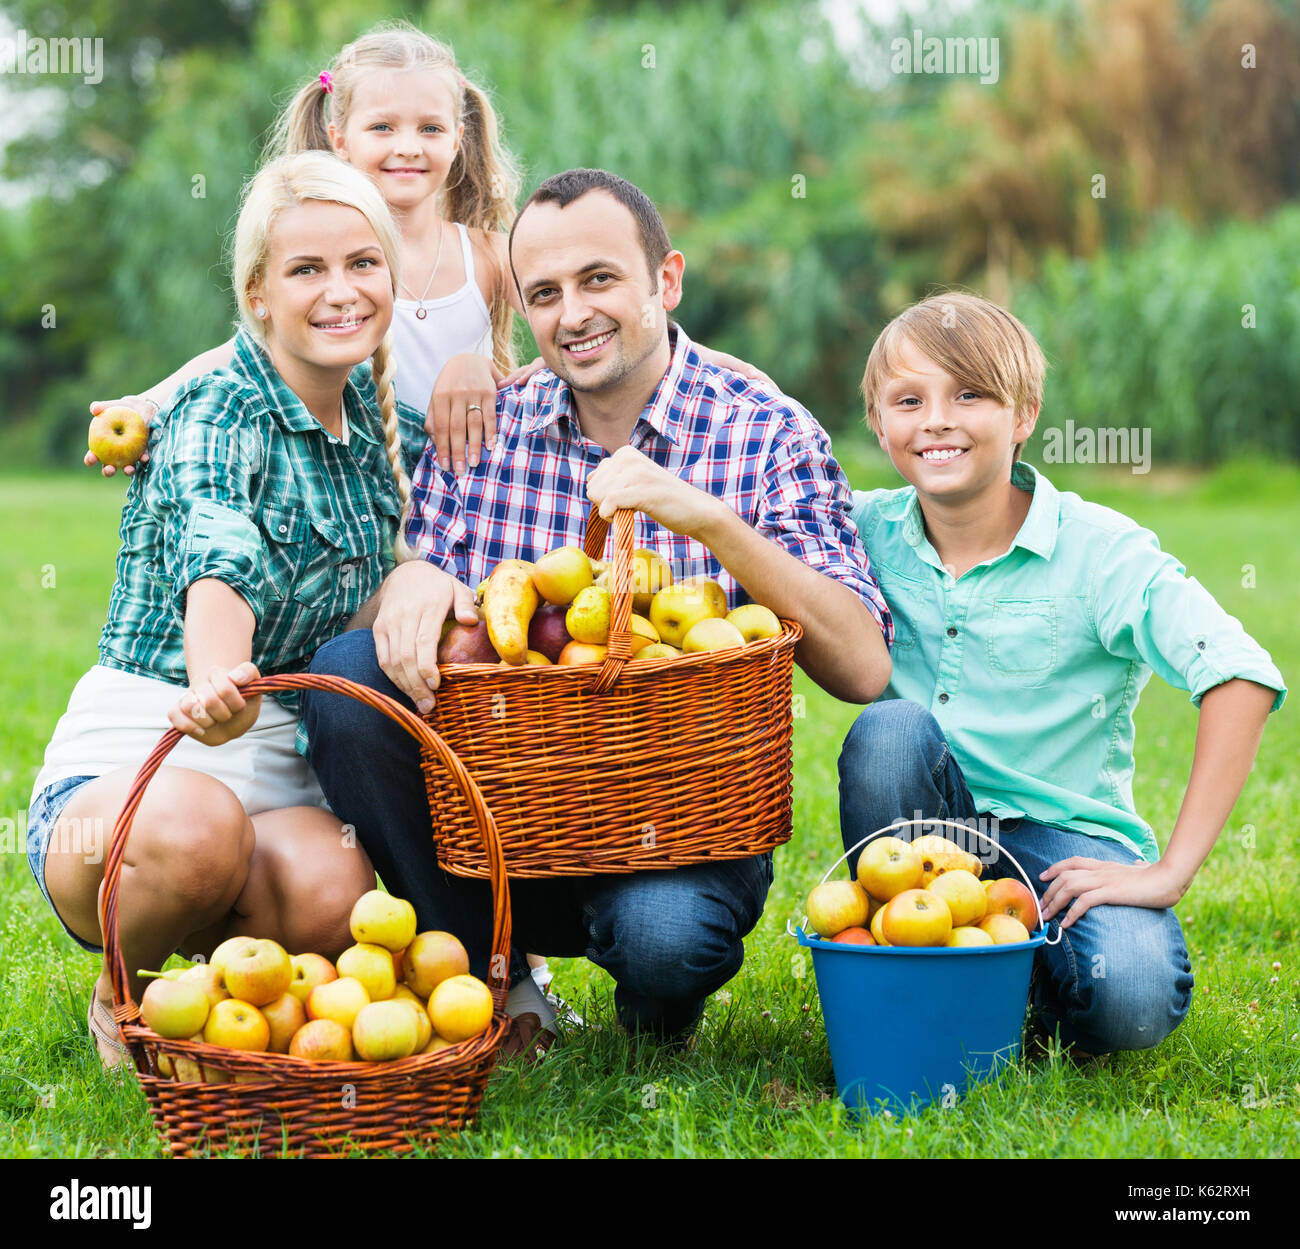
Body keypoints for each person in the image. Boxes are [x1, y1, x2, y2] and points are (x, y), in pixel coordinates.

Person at [298, 168, 894, 1054]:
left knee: (663, 939)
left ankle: (657, 1009)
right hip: (507, 828)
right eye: (544, 293)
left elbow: (861, 666)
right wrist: (413, 579)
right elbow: (406, 625)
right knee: (349, 678)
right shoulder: (486, 429)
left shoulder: (767, 431)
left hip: (681, 830)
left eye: (599, 279)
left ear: (667, 280)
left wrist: (711, 521)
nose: (572, 313)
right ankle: (486, 982)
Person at [28, 150, 422, 1066]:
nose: (341, 291)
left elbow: (357, 596)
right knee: (201, 830)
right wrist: (218, 677)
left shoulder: (359, 412)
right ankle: (122, 997)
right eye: (307, 270)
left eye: (363, 264)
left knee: (338, 892)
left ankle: (215, 976)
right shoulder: (217, 413)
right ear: (258, 294)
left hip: (275, 757)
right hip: (146, 758)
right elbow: (219, 560)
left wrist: (418, 587)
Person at [837, 291, 1286, 1058]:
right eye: (909, 400)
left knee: (1136, 998)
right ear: (879, 424)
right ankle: (919, 988)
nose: (937, 420)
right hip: (921, 838)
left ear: (1024, 415)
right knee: (889, 732)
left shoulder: (1100, 550)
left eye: (970, 394)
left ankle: (1018, 979)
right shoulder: (859, 528)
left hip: (1063, 844)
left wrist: (1171, 869)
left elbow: (1238, 672)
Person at [85, 21, 769, 482]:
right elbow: (244, 352)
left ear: (457, 137)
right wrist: (149, 402)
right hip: (348, 476)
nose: (407, 145)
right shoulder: (324, 261)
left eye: (429, 127)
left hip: (461, 480)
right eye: (382, 126)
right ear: (340, 136)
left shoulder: (488, 255)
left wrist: (751, 383)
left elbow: (584, 342)